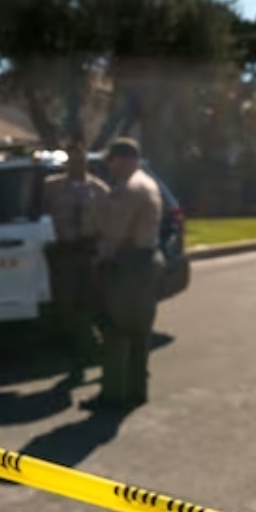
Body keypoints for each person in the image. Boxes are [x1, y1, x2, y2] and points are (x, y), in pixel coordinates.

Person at [84, 137, 163, 411]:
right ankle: (136, 389)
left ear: (125, 159)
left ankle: (113, 394)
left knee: (116, 330)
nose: (110, 166)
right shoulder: (149, 183)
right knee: (140, 331)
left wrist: (99, 261)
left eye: (112, 160)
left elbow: (115, 234)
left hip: (127, 263)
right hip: (147, 260)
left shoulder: (129, 190)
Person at [42, 135, 111, 380]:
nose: (76, 164)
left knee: (91, 305)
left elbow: (109, 224)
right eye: (72, 159)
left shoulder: (100, 189)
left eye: (80, 159)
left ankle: (92, 351)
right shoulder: (51, 187)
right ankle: (78, 353)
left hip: (90, 252)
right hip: (64, 253)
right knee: (67, 306)